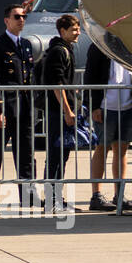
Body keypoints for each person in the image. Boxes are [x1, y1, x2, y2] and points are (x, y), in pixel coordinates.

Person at [0, 4, 40, 209]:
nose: (21, 20)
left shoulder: (27, 44)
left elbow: (29, 75)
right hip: (6, 105)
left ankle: (28, 195)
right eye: (17, 16)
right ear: (7, 20)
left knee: (26, 152)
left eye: (24, 16)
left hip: (25, 106)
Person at [82, 43, 132, 212]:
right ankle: (96, 195)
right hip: (106, 106)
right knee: (102, 147)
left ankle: (119, 193)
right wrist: (93, 105)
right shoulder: (99, 45)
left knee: (122, 149)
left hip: (128, 104)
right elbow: (90, 76)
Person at [41, 14, 81, 213]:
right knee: (56, 155)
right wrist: (67, 110)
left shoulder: (66, 49)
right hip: (58, 112)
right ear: (62, 31)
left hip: (62, 111)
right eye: (74, 29)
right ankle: (52, 200)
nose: (78, 32)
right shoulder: (58, 51)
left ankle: (56, 197)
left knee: (61, 155)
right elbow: (57, 84)